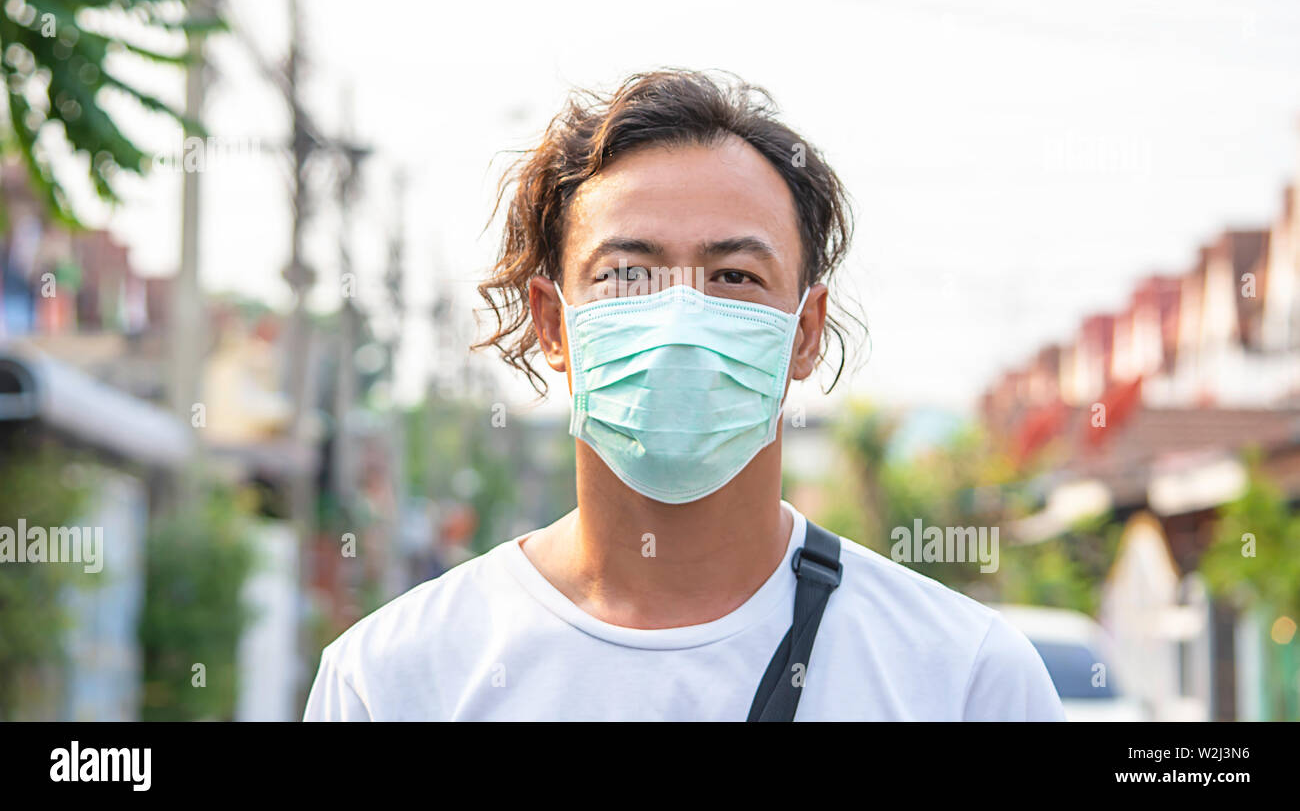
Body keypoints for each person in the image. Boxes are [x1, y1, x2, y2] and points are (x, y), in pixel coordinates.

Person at [303, 69, 1065, 721]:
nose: (680, 320)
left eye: (734, 276)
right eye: (627, 274)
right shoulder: (393, 681)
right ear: (552, 323)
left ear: (805, 332)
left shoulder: (964, 678)